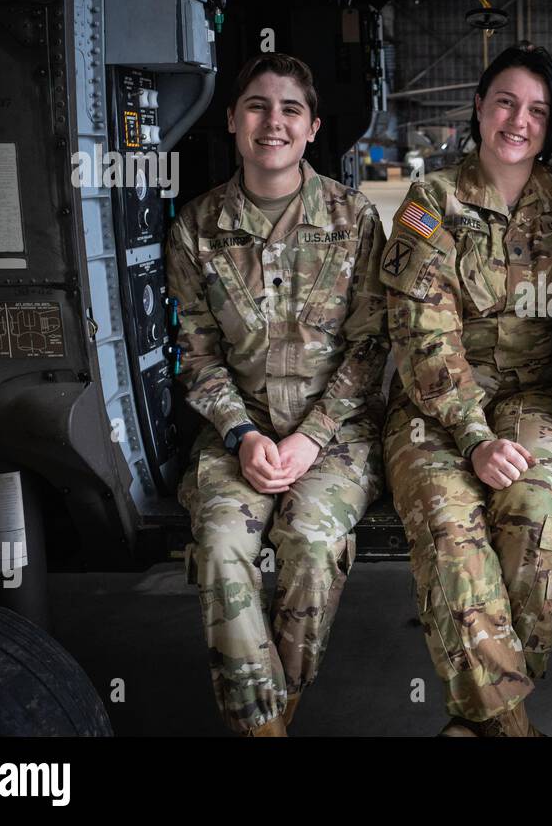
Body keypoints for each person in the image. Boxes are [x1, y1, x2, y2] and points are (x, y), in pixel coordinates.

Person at [379, 44, 552, 736]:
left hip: (542, 399)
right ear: (478, 106)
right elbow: (424, 335)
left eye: (537, 109)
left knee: (539, 522)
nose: (518, 120)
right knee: (450, 530)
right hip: (437, 406)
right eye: (505, 101)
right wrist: (474, 438)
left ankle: (475, 719)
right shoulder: (431, 202)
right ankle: (507, 724)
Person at [167, 53, 387, 736]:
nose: (273, 122)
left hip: (335, 437)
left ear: (313, 126)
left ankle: (277, 706)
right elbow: (194, 352)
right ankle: (264, 726)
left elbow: (371, 347)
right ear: (233, 120)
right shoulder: (197, 229)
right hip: (242, 435)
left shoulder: (353, 221)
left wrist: (310, 436)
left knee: (311, 542)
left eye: (290, 109)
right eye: (258, 106)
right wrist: (245, 435)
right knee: (222, 541)